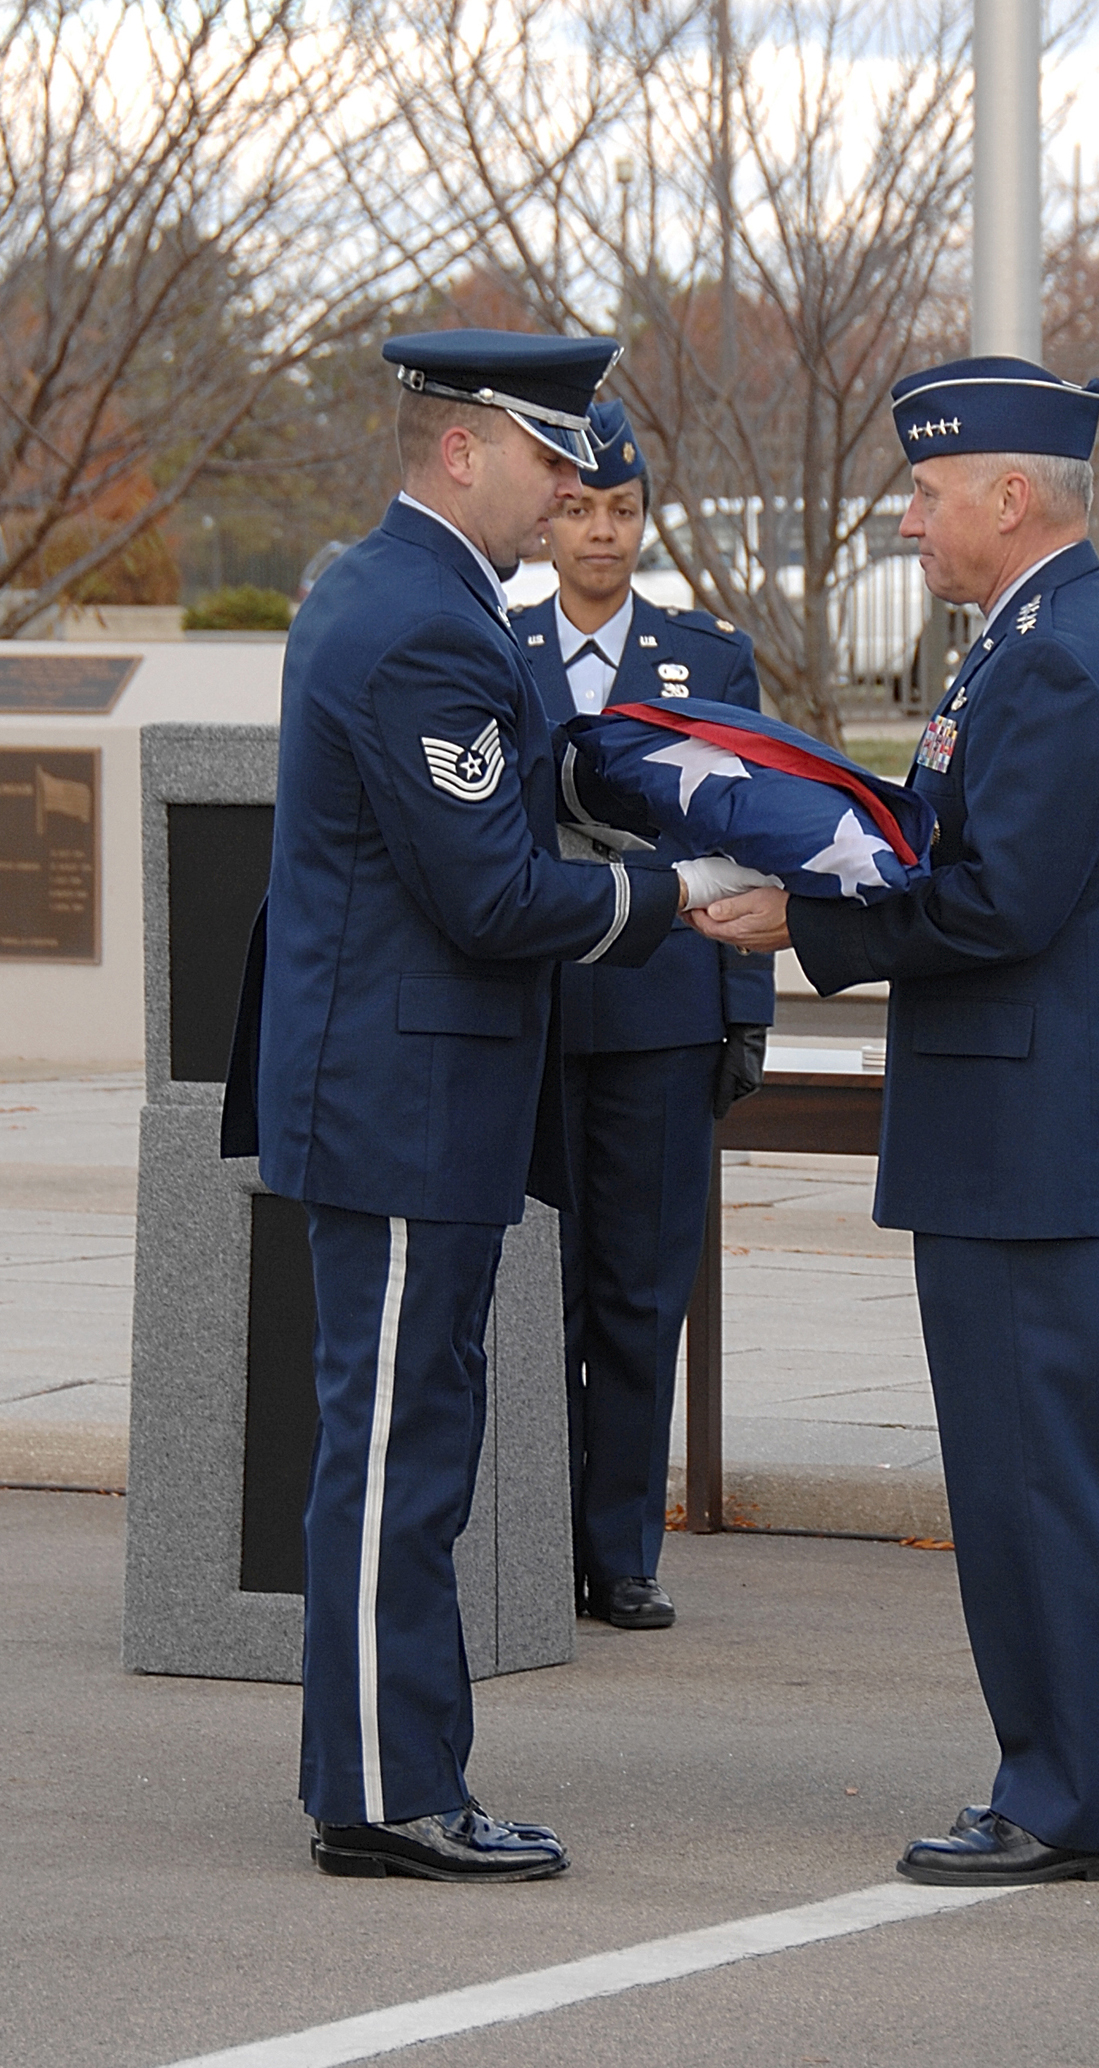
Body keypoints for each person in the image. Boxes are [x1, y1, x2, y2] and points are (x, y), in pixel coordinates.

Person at [221, 329, 767, 1883]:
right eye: (553, 458)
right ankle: (391, 1798)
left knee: (408, 1440)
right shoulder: (426, 628)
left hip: (404, 1091)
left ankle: (380, 1773)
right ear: (466, 449)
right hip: (409, 1101)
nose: (576, 486)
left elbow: (513, 804)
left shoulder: (399, 591)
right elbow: (494, 894)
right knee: (401, 1453)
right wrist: (682, 889)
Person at [688, 355, 1099, 1887]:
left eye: (927, 491)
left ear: (1012, 496)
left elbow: (1001, 906)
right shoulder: (1033, 643)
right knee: (1053, 1480)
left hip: (1031, 1149)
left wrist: (809, 928)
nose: (910, 519)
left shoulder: (1052, 659)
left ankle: (1071, 1800)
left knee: (1040, 1483)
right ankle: (1076, 1781)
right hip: (1041, 1136)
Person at [513, 400, 775, 1629]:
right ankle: (525, 1536)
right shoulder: (490, 644)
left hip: (664, 1018)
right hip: (534, 1011)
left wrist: (745, 1007)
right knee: (537, 1285)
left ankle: (617, 1551)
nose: (600, 533)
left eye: (620, 511)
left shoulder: (705, 658)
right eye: (578, 509)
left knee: (638, 1288)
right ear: (546, 515)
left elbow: (751, 832)